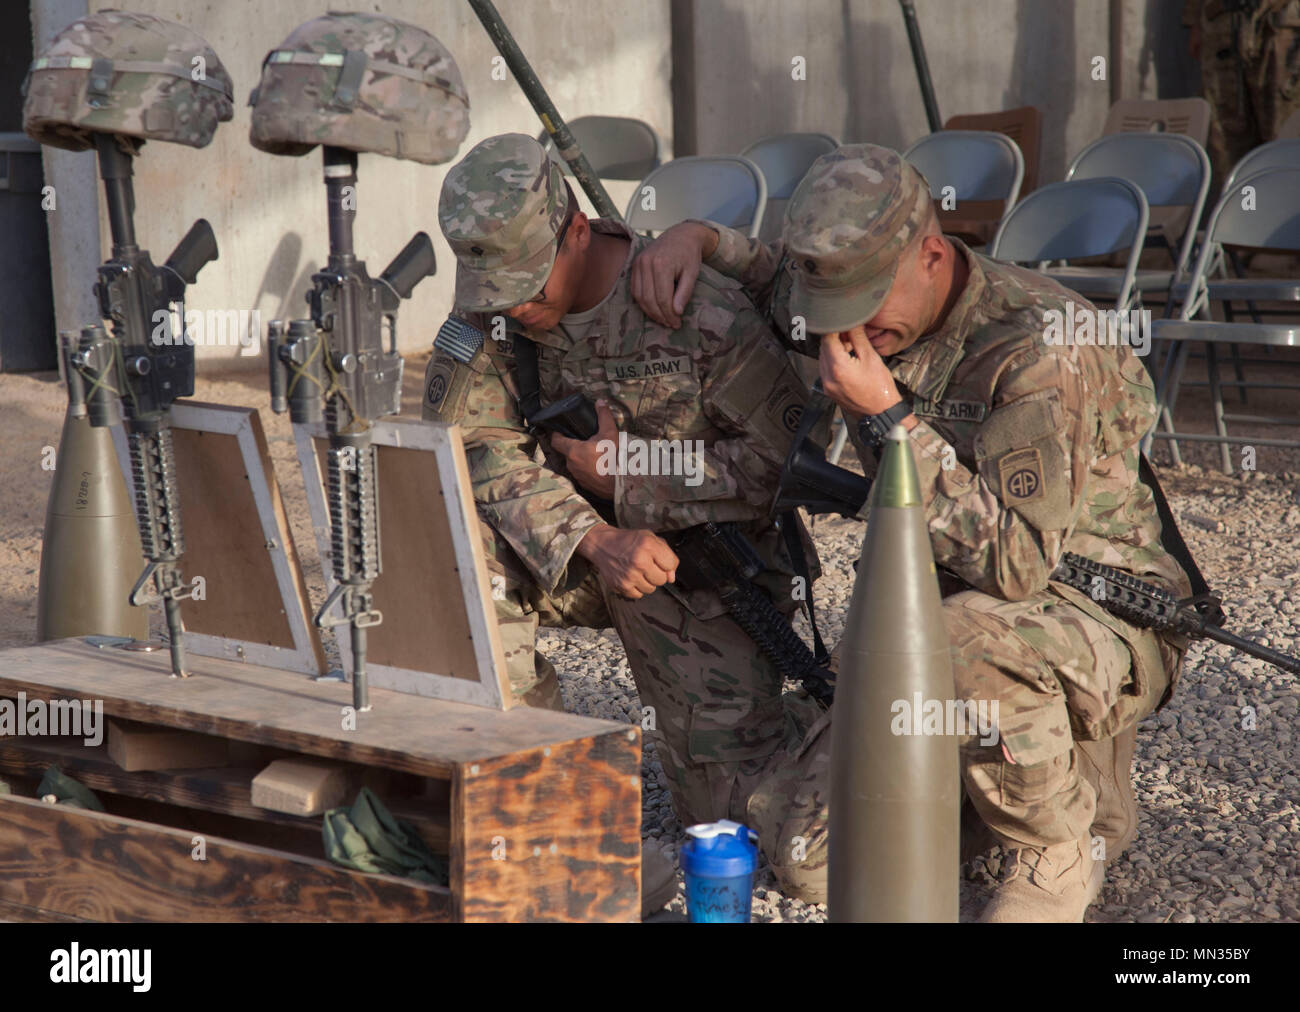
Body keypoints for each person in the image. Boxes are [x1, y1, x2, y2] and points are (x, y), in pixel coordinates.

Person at [630, 144, 1193, 922]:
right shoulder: (863, 306)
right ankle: (1003, 776)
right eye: (831, 309)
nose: (845, 330)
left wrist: (888, 418)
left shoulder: (1038, 346)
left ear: (932, 254)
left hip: (1093, 608)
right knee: (810, 864)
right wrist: (700, 237)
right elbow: (777, 279)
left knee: (956, 638)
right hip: (951, 612)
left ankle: (1058, 842)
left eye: (864, 301)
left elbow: (1019, 563)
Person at [424, 133, 825, 915]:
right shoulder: (496, 315)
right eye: (493, 289)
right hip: (586, 554)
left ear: (577, 230)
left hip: (703, 573)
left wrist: (636, 477)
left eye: (525, 285)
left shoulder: (691, 305)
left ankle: (809, 716)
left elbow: (780, 469)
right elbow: (470, 447)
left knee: (728, 826)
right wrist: (592, 535)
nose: (510, 306)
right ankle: (528, 792)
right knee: (449, 547)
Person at [1185, 0, 1300, 187]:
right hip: (1223, 27)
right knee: (1228, 149)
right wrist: (1194, 20)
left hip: (1281, 28)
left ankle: (1284, 213)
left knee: (1285, 138)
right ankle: (1244, 211)